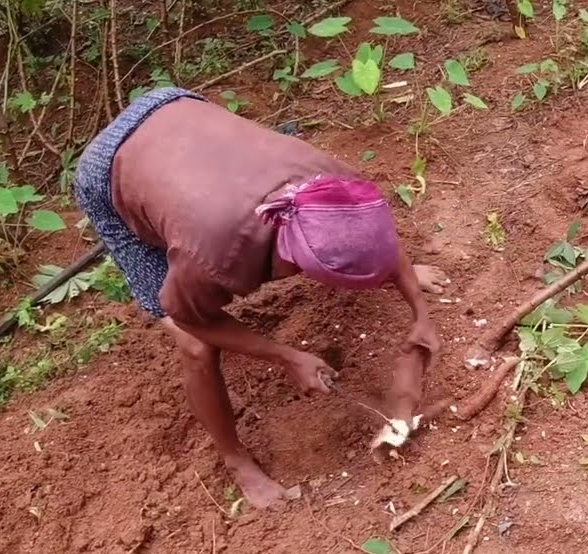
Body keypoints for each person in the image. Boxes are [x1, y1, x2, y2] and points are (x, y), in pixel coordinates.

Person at [74, 88, 445, 509]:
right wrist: (286, 356)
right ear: (288, 259)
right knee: (195, 345)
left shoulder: (336, 185)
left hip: (173, 108)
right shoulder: (213, 255)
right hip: (111, 169)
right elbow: (194, 321)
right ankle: (238, 463)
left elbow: (376, 233)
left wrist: (419, 310)